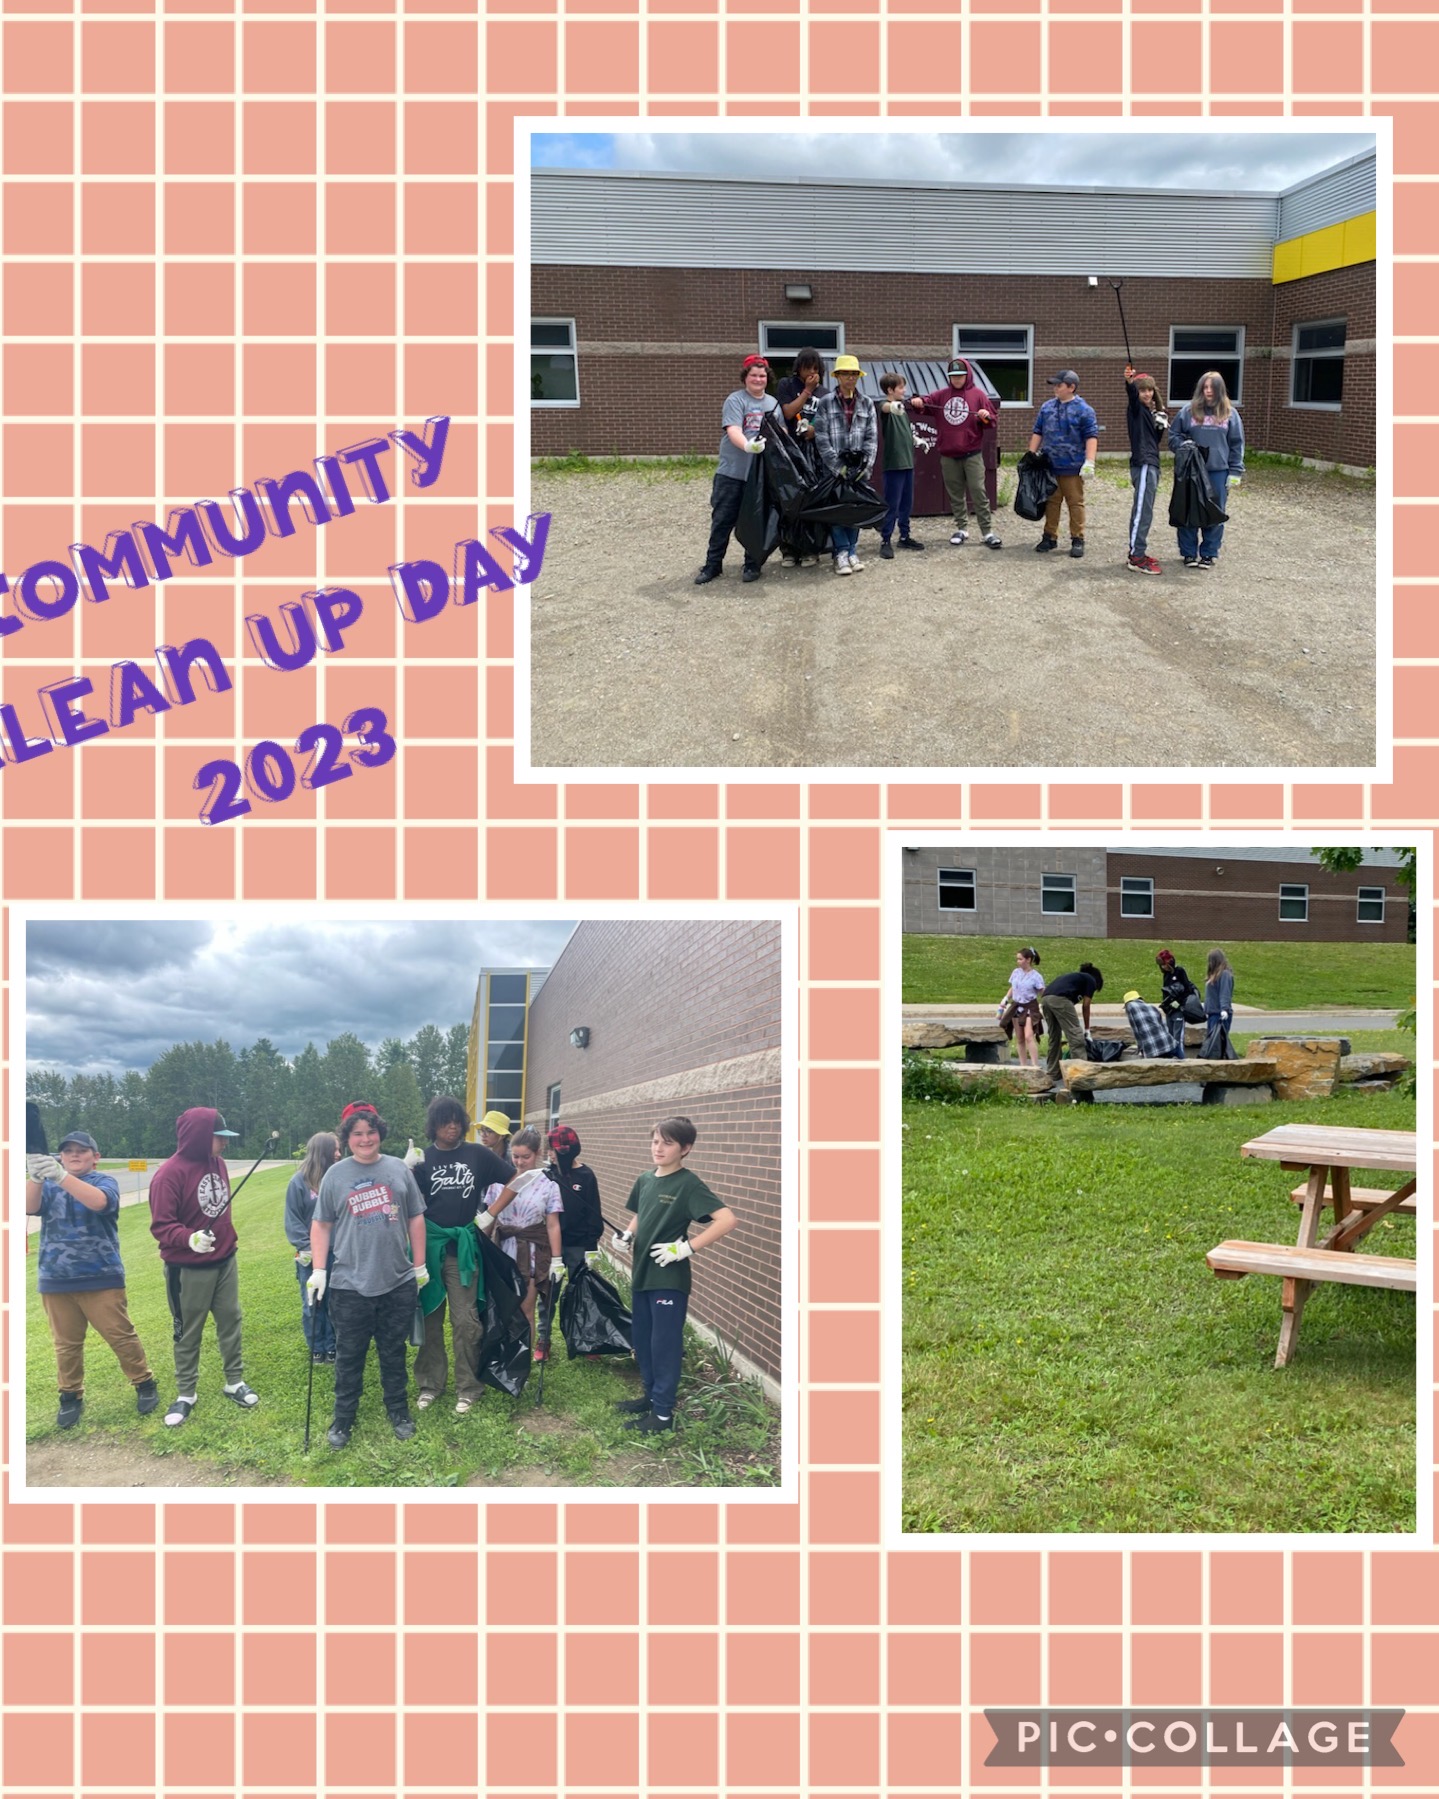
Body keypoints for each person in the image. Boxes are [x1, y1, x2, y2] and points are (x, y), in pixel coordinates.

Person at [307, 1105, 427, 1448]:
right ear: (347, 1139)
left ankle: (398, 1410)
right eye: (357, 1133)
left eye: (370, 1132)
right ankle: (343, 1418)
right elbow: (322, 1224)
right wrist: (318, 1269)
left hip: (397, 1282)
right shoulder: (335, 1176)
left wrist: (419, 1265)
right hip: (349, 1286)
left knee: (393, 1352)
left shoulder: (398, 1170)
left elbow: (416, 1218)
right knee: (349, 1356)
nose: (365, 1139)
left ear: (380, 1134)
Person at [611, 1117, 737, 1435]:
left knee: (664, 1345)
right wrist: (627, 1234)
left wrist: (686, 1249)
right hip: (642, 1274)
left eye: (667, 1143)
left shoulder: (688, 1184)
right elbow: (640, 1213)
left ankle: (664, 1414)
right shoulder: (645, 1179)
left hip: (669, 1279)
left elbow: (726, 1220)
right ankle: (651, 1399)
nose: (658, 1148)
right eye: (655, 1141)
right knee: (643, 1340)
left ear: (686, 1148)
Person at [27, 1129, 159, 1429]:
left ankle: (144, 1383)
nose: (74, 1155)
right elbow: (28, 1207)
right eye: (68, 1150)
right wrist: (36, 1177)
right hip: (56, 1279)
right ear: (60, 1155)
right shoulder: (47, 1185)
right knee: (66, 1345)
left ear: (95, 1158)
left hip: (101, 1277)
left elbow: (100, 1202)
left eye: (82, 1150)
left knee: (121, 1336)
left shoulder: (103, 1181)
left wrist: (60, 1177)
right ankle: (70, 1396)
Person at [406, 1095, 525, 1415]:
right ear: (434, 1125)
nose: (454, 1125)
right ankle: (430, 1383)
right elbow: (404, 1202)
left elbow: (516, 1178)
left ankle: (469, 1386)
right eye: (446, 1120)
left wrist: (491, 1214)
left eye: (458, 1119)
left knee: (466, 1320)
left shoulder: (478, 1155)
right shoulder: (423, 1159)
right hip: (429, 1249)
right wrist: (406, 1171)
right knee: (430, 1317)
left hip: (464, 1250)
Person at [148, 1106, 258, 1428]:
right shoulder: (169, 1174)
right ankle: (186, 1393)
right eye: (218, 1137)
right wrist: (189, 1238)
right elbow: (161, 1225)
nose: (224, 1144)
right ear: (199, 1137)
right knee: (187, 1331)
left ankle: (234, 1381)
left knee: (231, 1319)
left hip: (225, 1260)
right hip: (187, 1269)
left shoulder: (218, 1163)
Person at [694, 354, 778, 587]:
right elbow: (733, 430)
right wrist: (747, 446)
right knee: (722, 520)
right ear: (745, 377)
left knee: (754, 521)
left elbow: (779, 434)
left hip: (758, 478)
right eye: (754, 375)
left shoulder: (772, 404)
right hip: (731, 474)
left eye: (762, 375)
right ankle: (713, 564)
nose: (758, 379)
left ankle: (752, 563)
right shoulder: (735, 400)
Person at [911, 356, 1002, 549]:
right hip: (948, 455)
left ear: (967, 375)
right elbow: (925, 402)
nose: (957, 379)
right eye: (953, 376)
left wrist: (985, 417)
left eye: (960, 375)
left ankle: (987, 532)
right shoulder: (942, 395)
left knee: (978, 491)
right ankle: (962, 528)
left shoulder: (978, 395)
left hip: (972, 454)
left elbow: (992, 420)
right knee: (955, 493)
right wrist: (918, 401)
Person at [488, 1127, 564, 1331]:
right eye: (515, 1156)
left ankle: (523, 1362)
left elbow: (552, 1223)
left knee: (525, 1311)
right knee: (501, 1309)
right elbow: (489, 1218)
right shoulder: (498, 1182)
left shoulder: (549, 1184)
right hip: (503, 1248)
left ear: (537, 1153)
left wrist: (557, 1260)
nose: (520, 1162)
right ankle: (502, 1358)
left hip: (530, 1251)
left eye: (526, 1157)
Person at [1168, 371, 1244, 569]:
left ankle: (1209, 553)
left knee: (1215, 513)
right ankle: (1188, 553)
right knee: (1188, 511)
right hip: (1191, 471)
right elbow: (1173, 435)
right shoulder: (1188, 411)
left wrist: (1235, 472)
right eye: (1205, 387)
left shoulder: (1230, 414)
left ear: (1220, 390)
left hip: (1218, 471)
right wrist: (1184, 445)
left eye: (1212, 387)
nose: (1208, 391)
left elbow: (1236, 444)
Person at [813, 353, 877, 576]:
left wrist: (864, 467)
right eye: (845, 374)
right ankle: (840, 553)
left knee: (855, 510)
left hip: (858, 470)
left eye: (854, 374)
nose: (850, 378)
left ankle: (852, 550)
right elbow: (821, 438)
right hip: (834, 470)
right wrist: (836, 466)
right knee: (838, 511)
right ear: (837, 376)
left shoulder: (867, 404)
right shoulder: (825, 403)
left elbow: (872, 438)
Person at [1028, 370, 1099, 558]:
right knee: (1052, 501)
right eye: (1055, 385)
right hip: (1050, 465)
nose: (1055, 388)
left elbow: (1091, 437)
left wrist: (1089, 461)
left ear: (1071, 387)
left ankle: (1078, 538)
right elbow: (1038, 431)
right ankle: (1050, 536)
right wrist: (1031, 454)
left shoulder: (1085, 410)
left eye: (1059, 385)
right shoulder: (1047, 407)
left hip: (1073, 466)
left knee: (1075, 503)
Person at [284, 1131, 340, 1364]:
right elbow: (293, 1219)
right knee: (313, 1302)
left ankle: (333, 1345)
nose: (339, 1153)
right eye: (334, 1149)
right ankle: (317, 1347)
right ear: (323, 1152)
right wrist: (306, 1247)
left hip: (338, 1253)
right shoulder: (298, 1182)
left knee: (334, 1302)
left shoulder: (338, 1178)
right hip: (310, 1255)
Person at [774, 348, 826, 568]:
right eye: (807, 368)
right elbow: (787, 412)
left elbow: (824, 419)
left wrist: (814, 429)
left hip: (813, 453)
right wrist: (806, 391)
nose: (811, 372)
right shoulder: (787, 385)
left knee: (812, 498)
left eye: (815, 368)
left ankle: (810, 549)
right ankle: (788, 549)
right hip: (789, 450)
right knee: (788, 498)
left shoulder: (824, 393)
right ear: (799, 368)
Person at [1122, 364, 1168, 575]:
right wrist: (1130, 382)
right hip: (1143, 463)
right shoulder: (1136, 409)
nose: (1147, 393)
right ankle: (1136, 557)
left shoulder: (1151, 413)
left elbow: (1154, 441)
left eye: (1149, 389)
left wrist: (1159, 424)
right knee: (1142, 511)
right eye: (1142, 390)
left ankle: (1138, 550)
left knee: (1144, 511)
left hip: (1152, 463)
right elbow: (1131, 396)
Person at [876, 372, 924, 559]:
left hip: (907, 463)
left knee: (906, 503)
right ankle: (885, 539)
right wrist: (893, 405)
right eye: (900, 387)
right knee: (892, 504)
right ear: (890, 390)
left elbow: (904, 432)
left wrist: (916, 440)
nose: (904, 390)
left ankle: (904, 536)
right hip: (893, 465)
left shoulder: (902, 411)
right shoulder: (887, 406)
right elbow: (886, 408)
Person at [547, 1124, 604, 1275]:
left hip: (578, 1244)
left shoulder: (586, 1175)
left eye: (553, 1150)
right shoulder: (549, 1174)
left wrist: (591, 1247)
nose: (550, 1154)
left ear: (566, 1151)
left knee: (578, 1287)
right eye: (549, 1149)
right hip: (552, 1244)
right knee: (549, 1289)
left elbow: (594, 1211)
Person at [1038, 962, 1104, 1090]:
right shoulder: (1090, 979)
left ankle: (1053, 1073)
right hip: (1060, 999)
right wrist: (1087, 1030)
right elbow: (1086, 1005)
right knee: (1076, 1036)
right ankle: (1080, 1074)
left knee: (1054, 1037)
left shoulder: (1074, 979)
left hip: (1045, 999)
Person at [1002, 947, 1045, 1068]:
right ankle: (1023, 1065)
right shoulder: (1016, 972)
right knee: (1020, 1038)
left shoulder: (1036, 976)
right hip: (1017, 1006)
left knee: (1028, 1036)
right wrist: (1005, 999)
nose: (1018, 961)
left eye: (1020, 959)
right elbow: (1013, 988)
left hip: (1030, 1007)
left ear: (1028, 960)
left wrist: (1046, 1002)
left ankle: (1035, 1064)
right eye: (1017, 959)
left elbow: (1042, 991)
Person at [1155, 948, 1198, 1059]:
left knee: (1178, 1037)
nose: (1162, 967)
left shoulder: (1180, 972)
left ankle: (1181, 1058)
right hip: (1169, 1010)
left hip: (1179, 1010)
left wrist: (1178, 1002)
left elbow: (1187, 989)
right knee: (1170, 1036)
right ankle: (1170, 1059)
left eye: (1164, 964)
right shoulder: (1166, 975)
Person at [1122, 989, 1176, 1059]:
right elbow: (1162, 1026)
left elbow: (1137, 1031)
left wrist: (1140, 1049)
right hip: (1169, 1042)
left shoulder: (1130, 1007)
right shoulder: (1151, 1007)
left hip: (1154, 1050)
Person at [1205, 948, 1235, 1037]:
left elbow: (1225, 993)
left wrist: (1224, 1009)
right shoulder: (1214, 975)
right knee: (1212, 1043)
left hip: (1219, 1014)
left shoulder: (1225, 974)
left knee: (1218, 1043)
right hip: (1212, 1013)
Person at [478, 1109, 516, 1176]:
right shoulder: (481, 1154)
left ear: (502, 1135)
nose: (483, 1135)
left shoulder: (514, 1156)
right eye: (482, 1130)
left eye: (489, 1131)